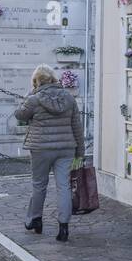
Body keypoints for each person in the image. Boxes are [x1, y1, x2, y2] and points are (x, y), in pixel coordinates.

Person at [16, 65, 84, 242]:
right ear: (54, 79)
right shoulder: (69, 97)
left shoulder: (34, 99)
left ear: (36, 81)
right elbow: (77, 125)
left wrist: (28, 95)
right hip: (66, 148)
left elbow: (20, 115)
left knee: (39, 184)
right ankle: (63, 228)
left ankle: (35, 220)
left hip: (41, 148)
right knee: (64, 187)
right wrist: (80, 152)